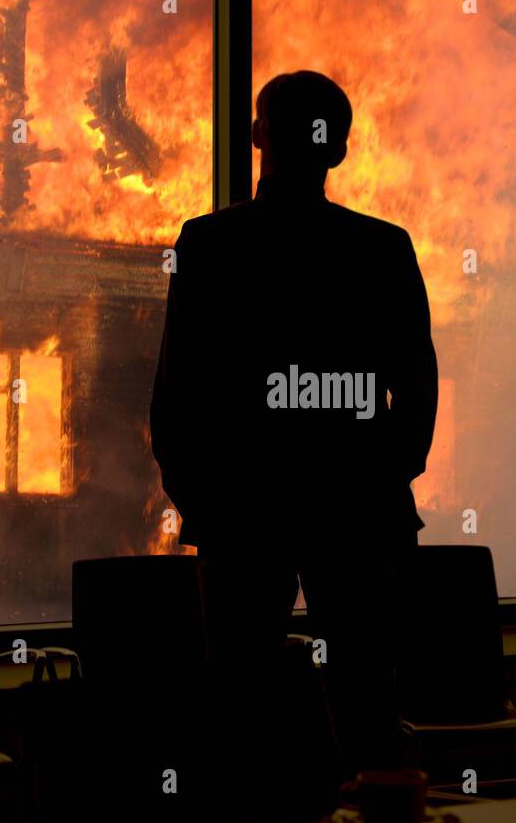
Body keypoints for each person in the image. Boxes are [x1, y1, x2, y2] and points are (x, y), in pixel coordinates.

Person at [150, 70, 437, 772]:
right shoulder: (381, 249)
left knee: (239, 709)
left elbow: (176, 394)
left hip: (244, 512)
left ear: (256, 136)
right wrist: (383, 475)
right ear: (336, 149)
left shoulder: (209, 245)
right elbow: (418, 385)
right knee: (368, 704)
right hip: (356, 512)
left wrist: (203, 498)